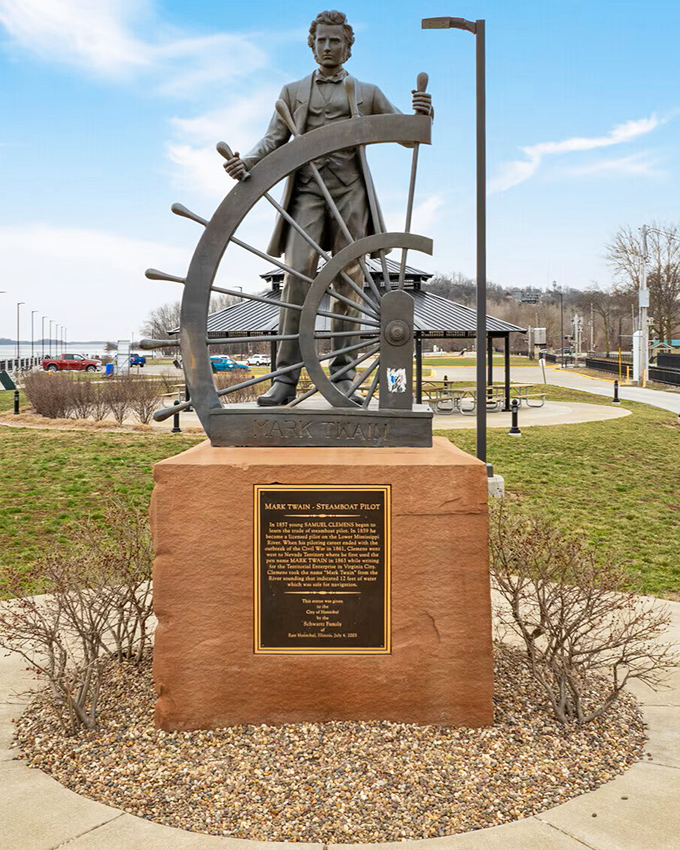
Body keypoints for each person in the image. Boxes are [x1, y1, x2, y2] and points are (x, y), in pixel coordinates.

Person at [224, 10, 432, 406]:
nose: (327, 47)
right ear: (312, 44)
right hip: (306, 194)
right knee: (296, 278)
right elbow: (272, 140)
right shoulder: (292, 92)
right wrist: (246, 162)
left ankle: (343, 377)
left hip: (350, 193)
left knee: (348, 283)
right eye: (321, 40)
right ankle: (284, 379)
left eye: (335, 41)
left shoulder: (367, 92)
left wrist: (424, 114)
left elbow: (407, 135)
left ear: (348, 48)